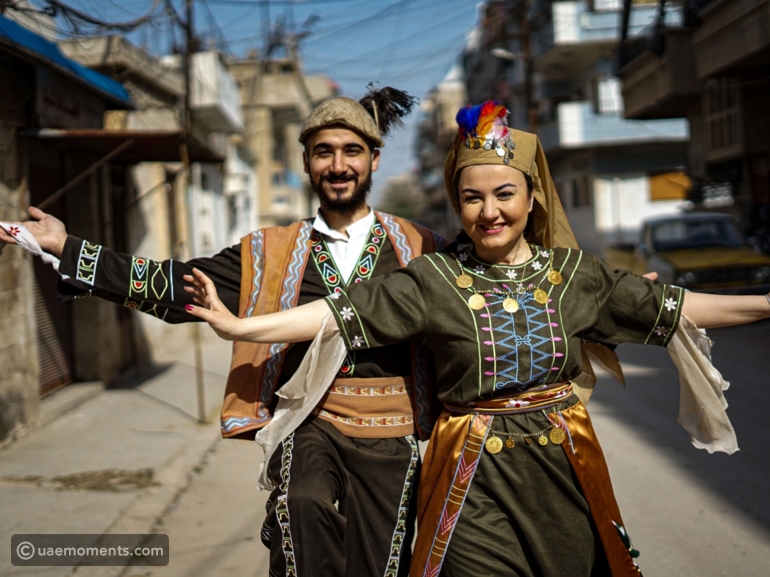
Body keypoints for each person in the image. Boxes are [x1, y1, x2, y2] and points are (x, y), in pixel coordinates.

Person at [181, 102, 770, 577]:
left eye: (505, 194)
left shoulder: (575, 276)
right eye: (471, 197)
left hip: (562, 469)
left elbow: (680, 308)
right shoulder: (435, 278)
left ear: (532, 196)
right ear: (457, 203)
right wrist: (240, 327)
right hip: (470, 477)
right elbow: (334, 315)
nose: (489, 212)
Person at [0, 88, 445, 577]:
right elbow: (176, 286)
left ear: (375, 160)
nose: (338, 165)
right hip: (311, 419)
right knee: (301, 503)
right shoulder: (270, 253)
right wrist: (69, 249)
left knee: (384, 562)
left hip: (393, 427)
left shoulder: (421, 247)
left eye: (352, 151)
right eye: (324, 152)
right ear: (306, 161)